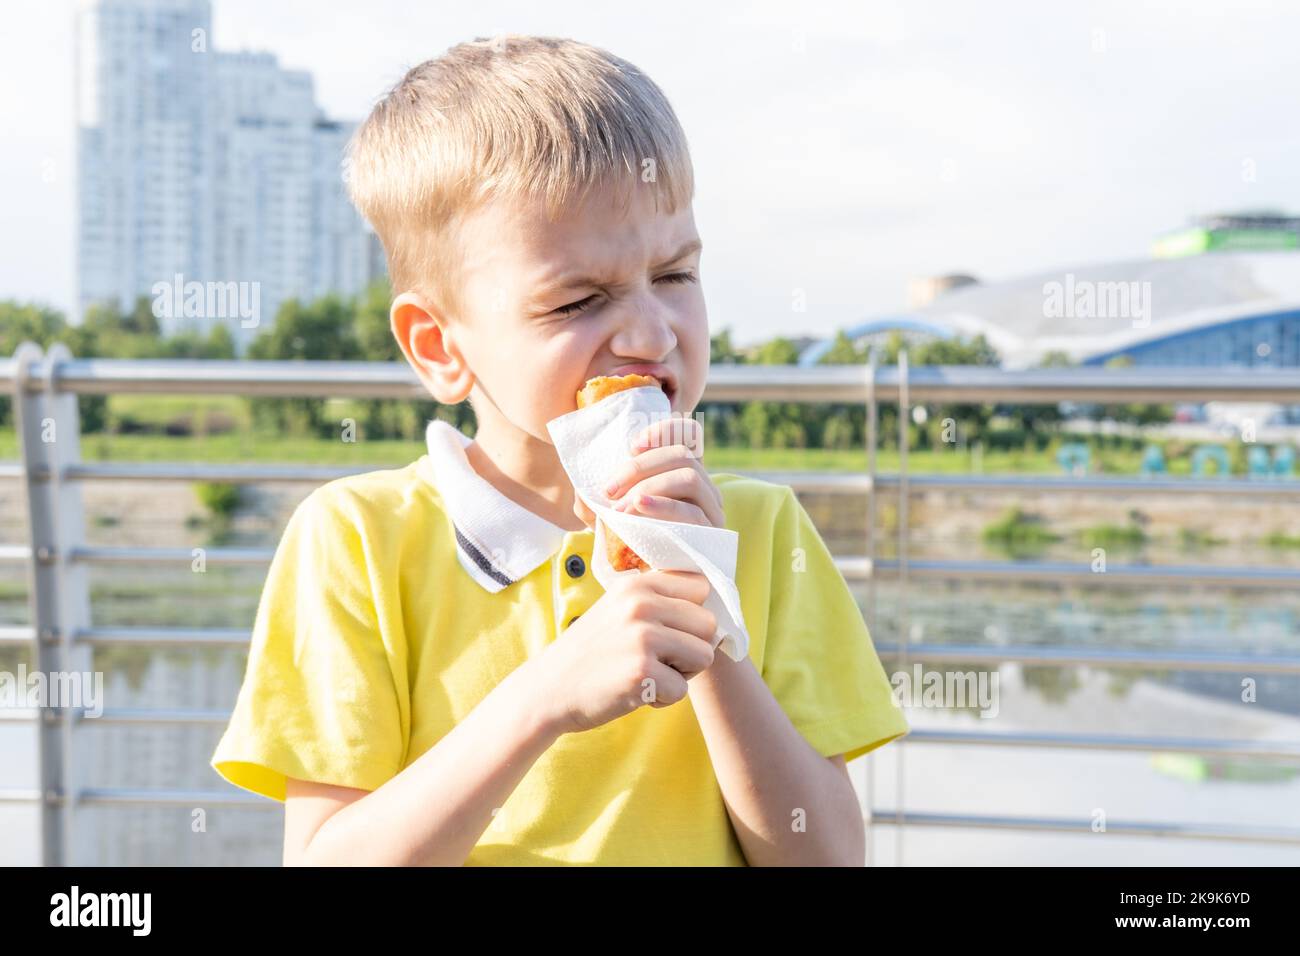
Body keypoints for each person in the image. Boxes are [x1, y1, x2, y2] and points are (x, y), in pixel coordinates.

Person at [210, 34, 907, 866]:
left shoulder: (762, 532)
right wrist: (542, 699)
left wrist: (708, 610)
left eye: (675, 276)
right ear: (439, 346)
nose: (651, 334)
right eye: (577, 301)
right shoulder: (357, 540)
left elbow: (826, 857)